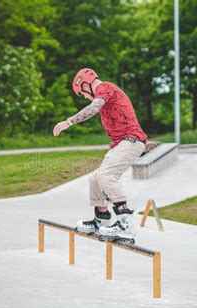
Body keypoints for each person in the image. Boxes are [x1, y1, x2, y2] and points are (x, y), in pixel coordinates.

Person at [53, 68, 147, 240]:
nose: (86, 97)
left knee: (106, 175)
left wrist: (69, 121)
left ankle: (125, 222)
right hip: (120, 144)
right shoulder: (102, 93)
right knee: (95, 178)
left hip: (132, 140)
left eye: (83, 94)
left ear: (87, 85)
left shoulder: (105, 88)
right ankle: (101, 218)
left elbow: (94, 107)